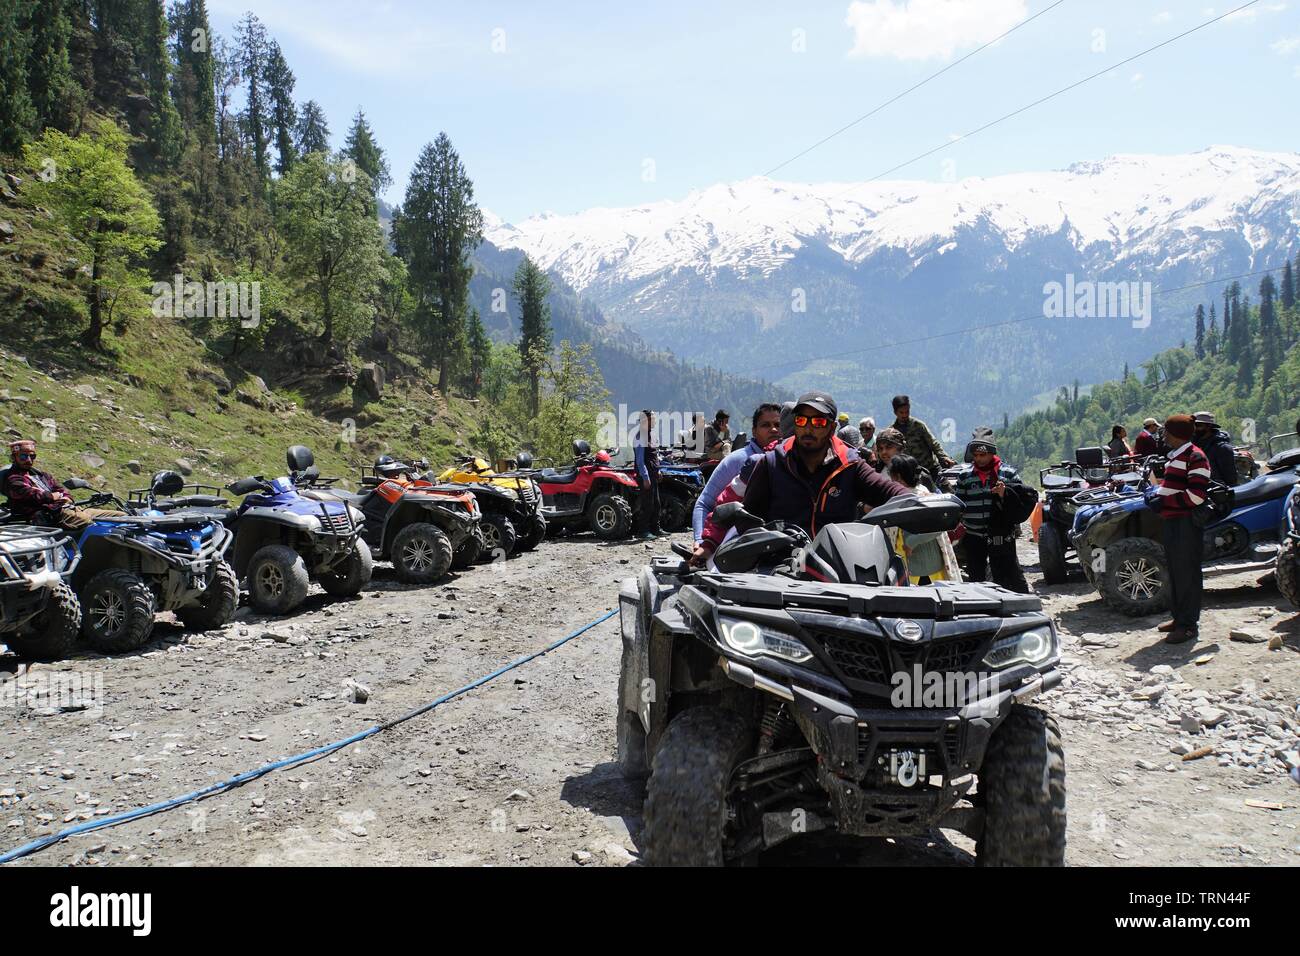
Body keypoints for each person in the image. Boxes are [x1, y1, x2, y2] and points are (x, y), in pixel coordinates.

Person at [742, 391, 908, 536]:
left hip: (838, 565)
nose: (808, 429)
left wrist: (921, 500)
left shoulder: (849, 465)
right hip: (782, 567)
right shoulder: (770, 464)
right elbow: (748, 522)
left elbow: (888, 490)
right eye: (801, 420)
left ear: (832, 428)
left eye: (818, 422)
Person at [690, 403, 782, 552]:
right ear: (754, 431)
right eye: (766, 425)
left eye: (778, 424)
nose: (773, 429)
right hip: (732, 548)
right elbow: (704, 503)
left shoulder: (789, 461)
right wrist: (701, 541)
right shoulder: (737, 461)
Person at [1152, 415, 1209, 645]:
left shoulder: (1195, 456)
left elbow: (1196, 496)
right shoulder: (1178, 456)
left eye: (1166, 431)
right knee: (1175, 572)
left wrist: (1165, 502)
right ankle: (1178, 618)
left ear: (1176, 434)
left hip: (1186, 523)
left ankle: (1188, 627)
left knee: (1187, 574)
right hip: (1173, 521)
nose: (1163, 435)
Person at [951, 437, 1034, 593]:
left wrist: (1004, 494)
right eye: (975, 455)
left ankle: (1019, 605)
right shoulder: (965, 476)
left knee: (1009, 572)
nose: (979, 459)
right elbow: (959, 504)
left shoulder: (1008, 474)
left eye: (983, 455)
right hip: (973, 534)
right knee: (976, 576)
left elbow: (1021, 501)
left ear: (991, 454)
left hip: (1001, 535)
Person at [1, 440, 120, 531]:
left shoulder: (42, 475)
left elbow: (61, 490)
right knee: (98, 527)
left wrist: (64, 497)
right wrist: (53, 497)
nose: (28, 459)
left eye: (32, 456)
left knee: (119, 517)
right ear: (14, 458)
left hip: (67, 509)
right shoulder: (13, 479)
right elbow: (34, 496)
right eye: (23, 456)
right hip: (51, 515)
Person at [887, 454, 961, 584]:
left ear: (898, 477)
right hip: (909, 563)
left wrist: (911, 542)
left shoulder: (920, 497)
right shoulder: (909, 494)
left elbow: (937, 526)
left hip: (922, 565)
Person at [889, 395, 955, 477]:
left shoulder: (918, 425)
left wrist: (944, 457)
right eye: (901, 412)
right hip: (910, 474)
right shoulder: (892, 432)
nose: (905, 415)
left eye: (907, 412)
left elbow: (933, 443)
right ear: (895, 412)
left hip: (930, 469)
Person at [633, 410, 668, 540]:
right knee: (647, 503)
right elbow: (640, 460)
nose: (654, 421)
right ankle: (643, 531)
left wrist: (658, 470)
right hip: (645, 475)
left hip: (653, 473)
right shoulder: (639, 437)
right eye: (651, 419)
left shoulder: (651, 435)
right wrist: (645, 478)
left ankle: (656, 528)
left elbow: (654, 455)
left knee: (656, 503)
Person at [1192, 412, 1237, 485]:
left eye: (1198, 425)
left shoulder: (1222, 448)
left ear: (1209, 426)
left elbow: (1230, 479)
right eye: (1193, 425)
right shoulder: (1193, 445)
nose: (1195, 428)